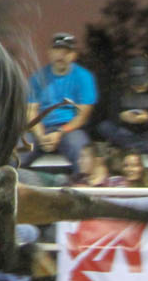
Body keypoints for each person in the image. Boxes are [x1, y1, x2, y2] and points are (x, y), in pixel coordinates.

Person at [19, 33, 98, 175]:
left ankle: (80, 184)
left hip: (69, 129)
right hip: (41, 128)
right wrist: (40, 136)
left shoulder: (84, 77)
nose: (60, 56)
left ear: (73, 55)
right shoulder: (37, 77)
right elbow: (31, 111)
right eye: (57, 50)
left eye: (65, 52)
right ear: (49, 53)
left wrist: (60, 133)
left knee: (82, 151)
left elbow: (83, 116)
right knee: (16, 152)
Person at [96, 54, 148, 153]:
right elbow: (110, 114)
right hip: (127, 132)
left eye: (142, 84)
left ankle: (135, 147)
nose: (138, 88)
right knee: (104, 126)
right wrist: (121, 117)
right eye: (135, 85)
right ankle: (143, 147)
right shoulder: (119, 89)